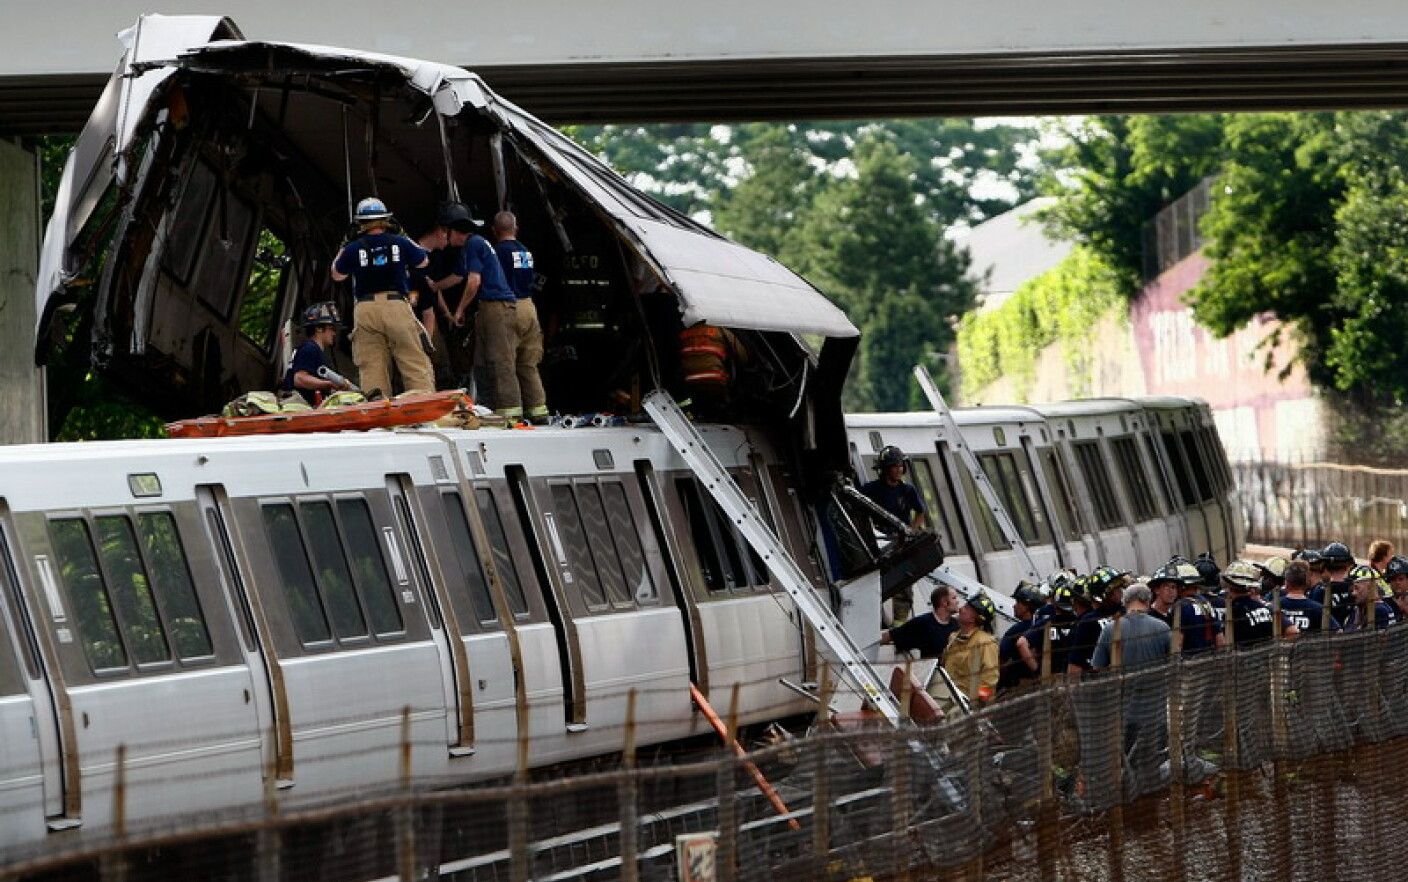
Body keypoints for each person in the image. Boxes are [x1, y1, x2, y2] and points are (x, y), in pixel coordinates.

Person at [331, 197, 434, 398]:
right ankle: (423, 401)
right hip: (395, 305)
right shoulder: (400, 242)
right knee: (412, 359)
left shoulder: (353, 248)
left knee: (371, 365)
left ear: (360, 223)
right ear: (386, 220)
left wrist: (344, 245)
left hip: (365, 309)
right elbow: (423, 261)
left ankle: (376, 408)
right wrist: (404, 235)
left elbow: (336, 274)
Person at [448, 206, 521, 419]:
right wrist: (434, 287)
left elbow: (473, 281)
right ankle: (487, 408)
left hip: (497, 306)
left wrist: (459, 310)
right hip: (487, 307)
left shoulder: (473, 244)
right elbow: (458, 277)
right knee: (481, 361)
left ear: (458, 231)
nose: (446, 236)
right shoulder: (475, 245)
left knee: (500, 360)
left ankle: (510, 413)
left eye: (448, 231)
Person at [491, 211, 550, 424]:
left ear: (494, 231)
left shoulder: (496, 252)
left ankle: (510, 411)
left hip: (509, 307)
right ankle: (538, 409)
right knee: (528, 362)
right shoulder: (526, 252)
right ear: (516, 229)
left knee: (505, 361)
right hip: (529, 307)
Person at [860, 445, 928, 623]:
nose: (899, 469)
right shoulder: (870, 490)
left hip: (901, 542)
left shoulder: (908, 490)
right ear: (884, 469)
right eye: (894, 466)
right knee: (874, 583)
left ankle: (900, 624)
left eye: (901, 466)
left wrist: (911, 531)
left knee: (903, 584)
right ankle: (875, 622)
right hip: (877, 542)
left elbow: (920, 512)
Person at [283, 301, 352, 406]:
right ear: (319, 328)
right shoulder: (309, 349)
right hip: (302, 409)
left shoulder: (316, 351)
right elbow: (299, 379)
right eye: (332, 329)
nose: (334, 333)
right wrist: (328, 384)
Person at [678, 321, 748, 421]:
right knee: (725, 403)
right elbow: (742, 355)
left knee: (700, 404)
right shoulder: (720, 331)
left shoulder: (685, 333)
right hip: (715, 379)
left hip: (691, 382)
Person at [941, 592, 1000, 708]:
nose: (961, 609)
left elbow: (989, 680)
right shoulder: (954, 637)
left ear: (975, 618)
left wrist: (978, 705)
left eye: (967, 608)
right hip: (946, 700)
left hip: (966, 706)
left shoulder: (985, 642)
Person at [1221, 560, 1297, 649]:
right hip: (1268, 658)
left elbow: (1226, 645)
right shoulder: (1267, 609)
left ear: (1229, 586)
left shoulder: (1232, 613)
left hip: (1245, 660)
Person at [880, 583, 958, 660]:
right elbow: (891, 635)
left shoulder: (957, 625)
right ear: (944, 602)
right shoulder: (923, 623)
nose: (958, 601)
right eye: (954, 598)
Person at [998, 581, 1045, 695]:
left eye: (1018, 602)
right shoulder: (1044, 626)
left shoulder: (1015, 631)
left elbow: (1000, 660)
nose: (1014, 606)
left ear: (1027, 606)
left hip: (1021, 686)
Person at [1279, 559, 1337, 635]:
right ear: (1307, 582)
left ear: (1286, 583)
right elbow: (1337, 631)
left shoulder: (1274, 607)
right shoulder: (1318, 609)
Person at [1343, 565, 1397, 632]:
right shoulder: (1358, 610)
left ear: (1370, 587)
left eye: (1357, 588)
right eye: (1352, 589)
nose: (1353, 593)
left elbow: (1358, 638)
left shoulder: (1379, 611)